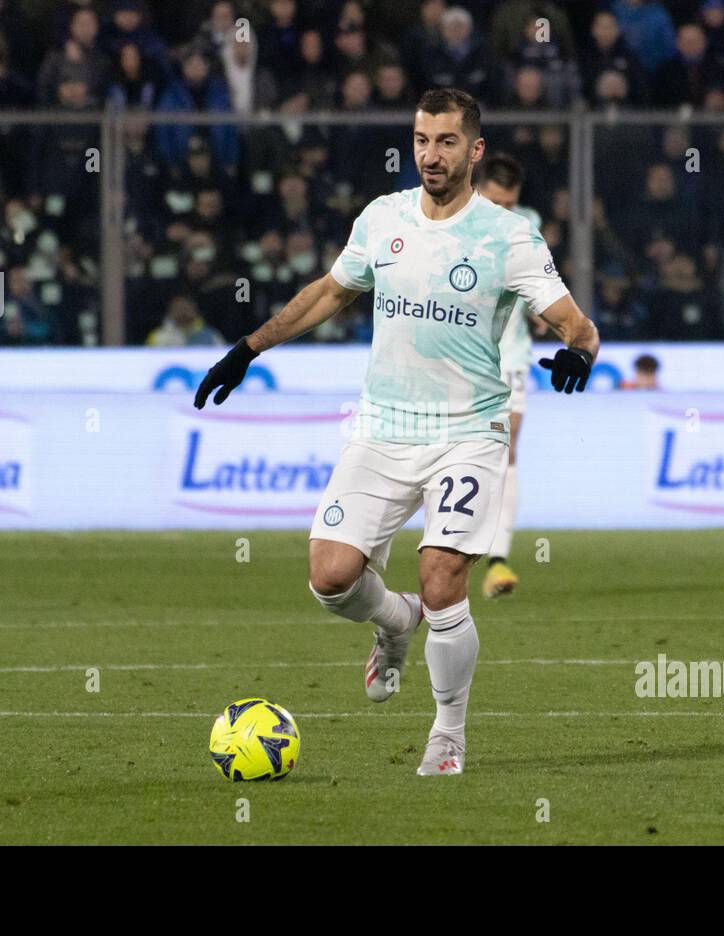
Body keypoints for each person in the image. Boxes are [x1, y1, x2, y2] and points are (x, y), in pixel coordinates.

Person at [194, 88, 599, 777]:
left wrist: (579, 352)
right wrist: (250, 346)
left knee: (443, 579)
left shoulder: (507, 237)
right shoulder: (383, 218)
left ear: (473, 149)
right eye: (420, 140)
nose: (430, 155)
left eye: (445, 142)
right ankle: (393, 620)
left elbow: (575, 322)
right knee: (330, 579)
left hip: (468, 431)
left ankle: (448, 734)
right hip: (382, 426)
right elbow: (330, 291)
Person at [475, 153, 539, 599]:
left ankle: (498, 560)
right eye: (496, 203)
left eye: (510, 204)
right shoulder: (453, 219)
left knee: (507, 451)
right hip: (460, 356)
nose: (504, 213)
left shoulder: (526, 224)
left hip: (510, 355)